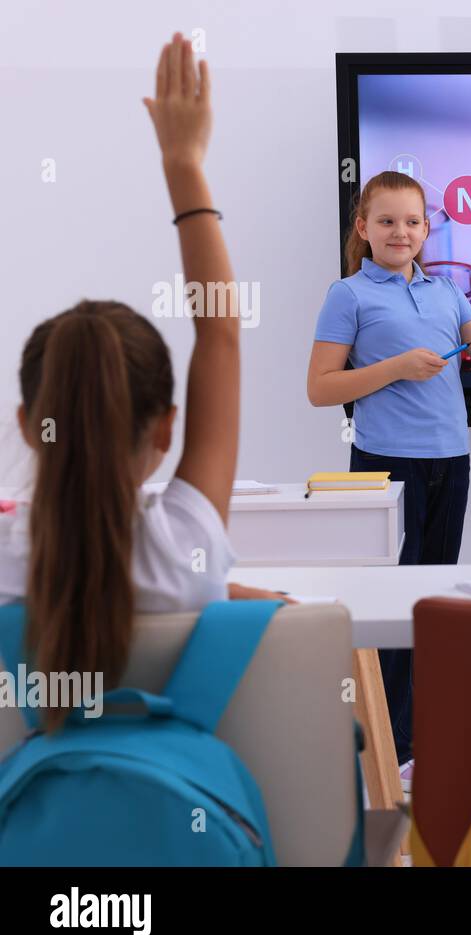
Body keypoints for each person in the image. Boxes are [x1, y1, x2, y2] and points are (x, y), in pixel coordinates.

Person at [0, 34, 280, 728]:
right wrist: (183, 162)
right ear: (165, 426)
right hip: (174, 836)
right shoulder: (188, 549)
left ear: (28, 423)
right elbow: (219, 332)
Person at [307, 171, 471, 786]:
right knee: (387, 603)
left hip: (451, 461)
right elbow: (321, 389)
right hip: (384, 467)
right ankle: (386, 747)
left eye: (413, 222)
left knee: (429, 602)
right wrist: (396, 366)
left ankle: (417, 743)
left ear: (427, 231)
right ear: (364, 229)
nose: (402, 232)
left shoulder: (449, 292)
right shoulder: (348, 295)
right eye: (388, 221)